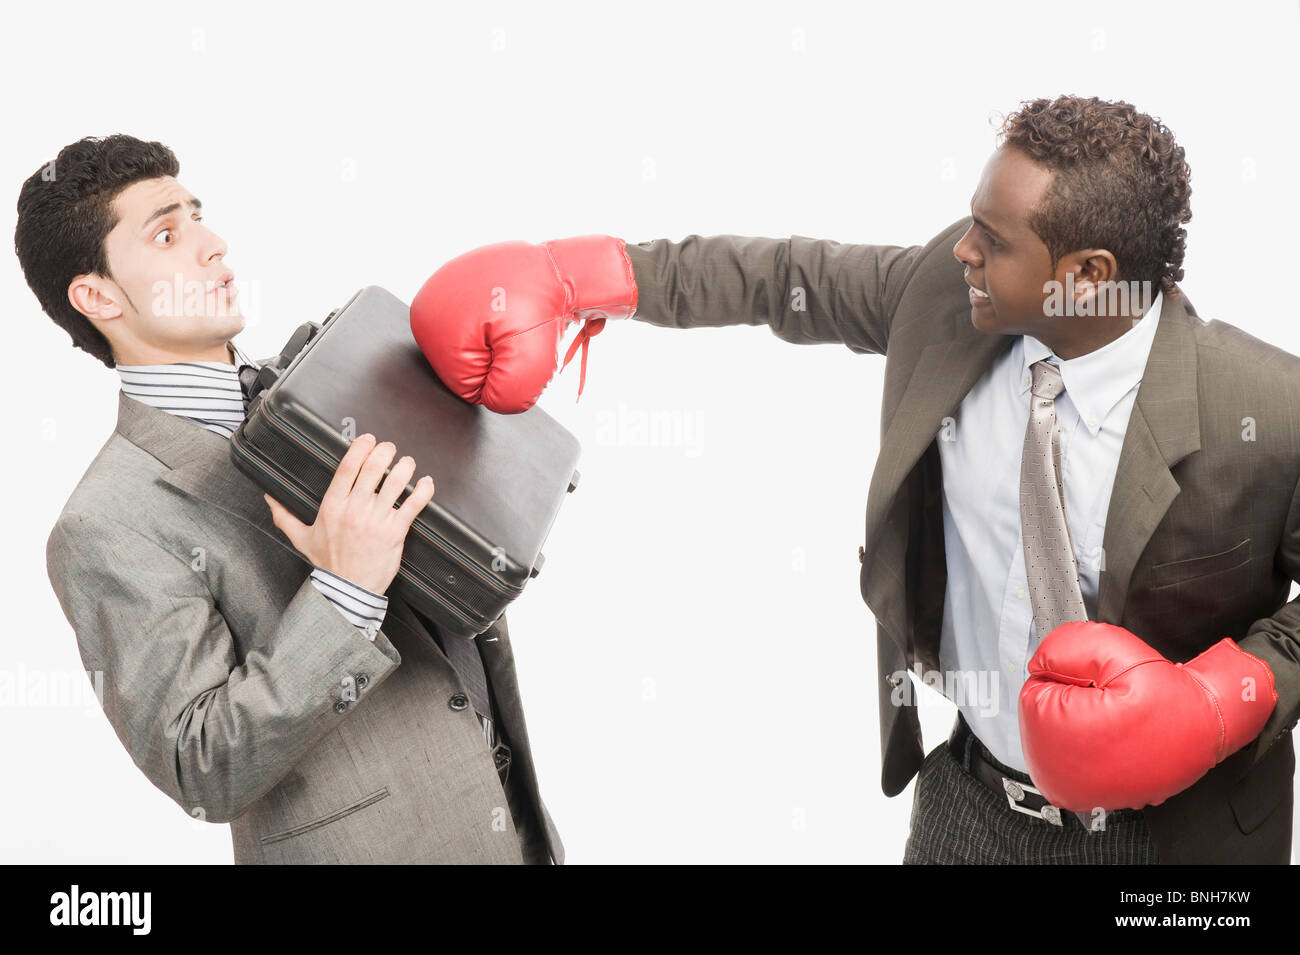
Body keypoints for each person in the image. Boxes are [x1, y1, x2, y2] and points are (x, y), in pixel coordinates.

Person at [409, 94, 1298, 864]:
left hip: (1178, 846)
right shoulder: (950, 303)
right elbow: (784, 277)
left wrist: (1220, 699)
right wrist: (576, 273)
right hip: (970, 805)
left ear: (1088, 277)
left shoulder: (1265, 409)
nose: (962, 252)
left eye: (994, 240)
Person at [19, 134, 561, 864]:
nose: (212, 246)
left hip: (516, 831)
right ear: (98, 295)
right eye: (168, 234)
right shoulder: (104, 522)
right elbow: (201, 765)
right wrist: (346, 590)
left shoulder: (333, 365)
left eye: (199, 216)